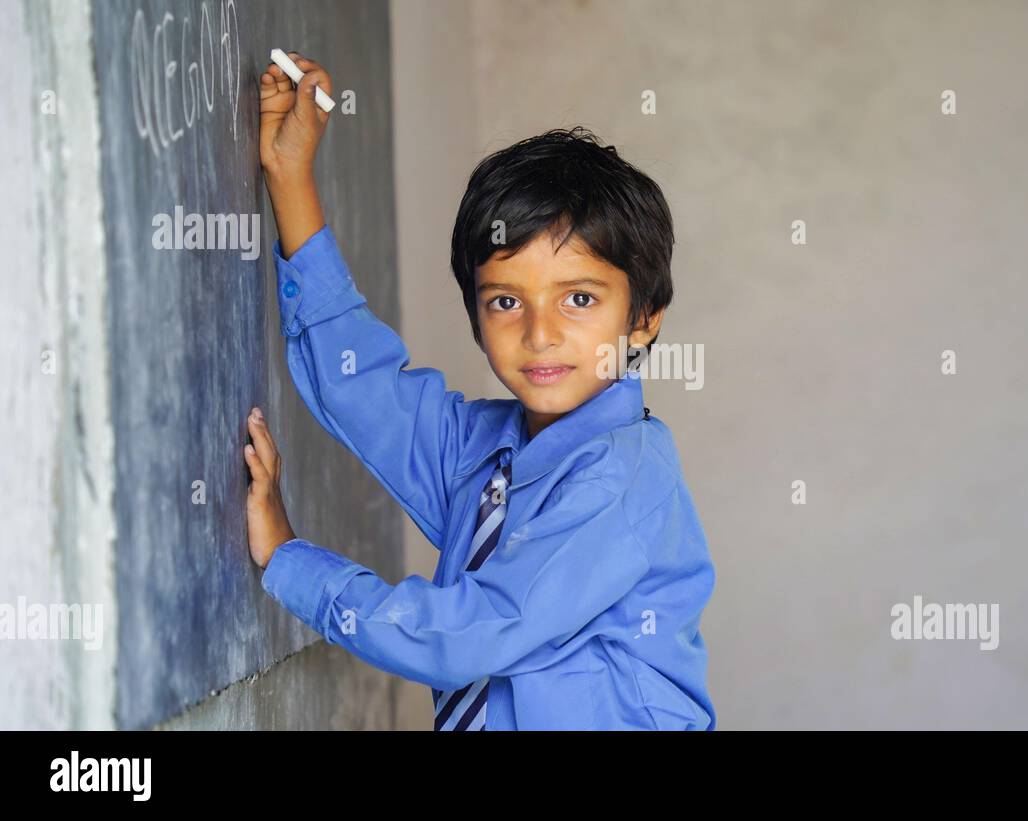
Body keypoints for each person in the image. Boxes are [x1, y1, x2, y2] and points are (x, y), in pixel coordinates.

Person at [242, 52, 716, 730]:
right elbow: (361, 386)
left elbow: (469, 634)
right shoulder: (483, 453)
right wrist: (291, 179)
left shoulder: (623, 478)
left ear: (642, 318)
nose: (540, 333)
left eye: (578, 298)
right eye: (504, 302)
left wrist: (294, 563)